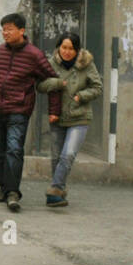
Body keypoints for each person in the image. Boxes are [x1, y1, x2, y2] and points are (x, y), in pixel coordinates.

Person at [0, 12, 58, 212]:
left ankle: (13, 193)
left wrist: (54, 110)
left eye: (9, 29)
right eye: (3, 29)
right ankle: (2, 189)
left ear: (22, 31)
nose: (5, 33)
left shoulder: (34, 55)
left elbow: (53, 81)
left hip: (19, 110)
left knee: (14, 151)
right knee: (0, 152)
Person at [36, 31, 102, 207]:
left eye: (71, 48)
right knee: (56, 158)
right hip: (57, 117)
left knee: (68, 154)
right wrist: (57, 83)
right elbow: (40, 85)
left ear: (77, 50)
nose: (66, 52)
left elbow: (97, 87)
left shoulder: (86, 64)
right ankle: (59, 192)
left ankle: (55, 189)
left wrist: (81, 96)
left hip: (79, 117)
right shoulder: (52, 64)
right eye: (64, 47)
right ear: (59, 48)